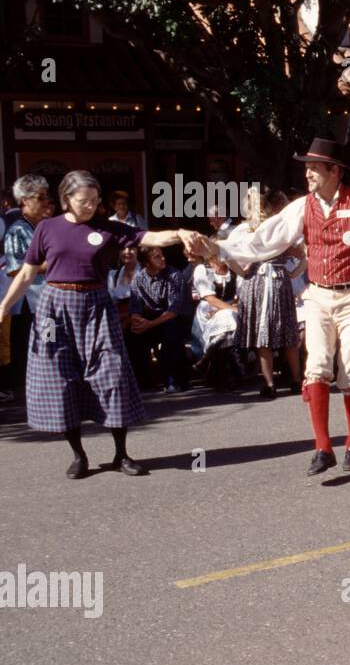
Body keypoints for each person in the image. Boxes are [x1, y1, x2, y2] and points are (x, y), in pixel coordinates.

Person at [195, 138, 350, 475]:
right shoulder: (301, 208)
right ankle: (323, 448)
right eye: (307, 167)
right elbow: (263, 240)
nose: (308, 173)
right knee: (317, 368)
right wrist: (218, 249)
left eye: (314, 167)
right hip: (318, 295)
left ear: (334, 170)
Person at [0, 170, 204, 477]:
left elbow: (151, 237)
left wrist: (182, 233)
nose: (91, 206)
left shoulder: (107, 228)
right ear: (66, 199)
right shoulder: (47, 229)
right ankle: (78, 455)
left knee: (112, 374)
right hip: (53, 310)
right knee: (59, 377)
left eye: (95, 201)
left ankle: (121, 454)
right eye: (84, 201)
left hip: (96, 306)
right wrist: (3, 307)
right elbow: (27, 273)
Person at [228, 188, 303, 398]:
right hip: (279, 280)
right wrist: (292, 273)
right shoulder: (278, 228)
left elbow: (227, 254)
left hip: (257, 281)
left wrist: (242, 271)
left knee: (264, 336)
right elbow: (304, 254)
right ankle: (296, 380)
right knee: (288, 332)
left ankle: (270, 384)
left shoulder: (245, 230)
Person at [2, 175, 53, 403]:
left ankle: (50, 390)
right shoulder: (17, 231)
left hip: (49, 299)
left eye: (46, 196)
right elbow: (15, 269)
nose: (46, 202)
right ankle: (30, 396)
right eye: (39, 197)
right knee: (29, 349)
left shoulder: (45, 227)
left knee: (50, 343)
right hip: (28, 302)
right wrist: (50, 264)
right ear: (24, 200)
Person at [127, 245, 192, 393]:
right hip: (153, 318)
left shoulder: (174, 275)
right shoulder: (139, 278)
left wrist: (149, 325)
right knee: (132, 334)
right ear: (146, 263)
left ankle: (172, 380)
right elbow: (135, 307)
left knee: (171, 330)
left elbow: (173, 310)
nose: (163, 259)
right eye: (156, 257)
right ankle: (144, 382)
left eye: (162, 255)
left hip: (177, 317)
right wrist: (137, 320)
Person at [191, 254, 241, 390]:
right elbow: (211, 299)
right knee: (228, 321)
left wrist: (233, 306)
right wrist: (231, 309)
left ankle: (210, 365)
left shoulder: (233, 268)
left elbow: (240, 294)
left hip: (228, 310)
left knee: (228, 321)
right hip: (208, 311)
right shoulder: (203, 269)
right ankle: (231, 375)